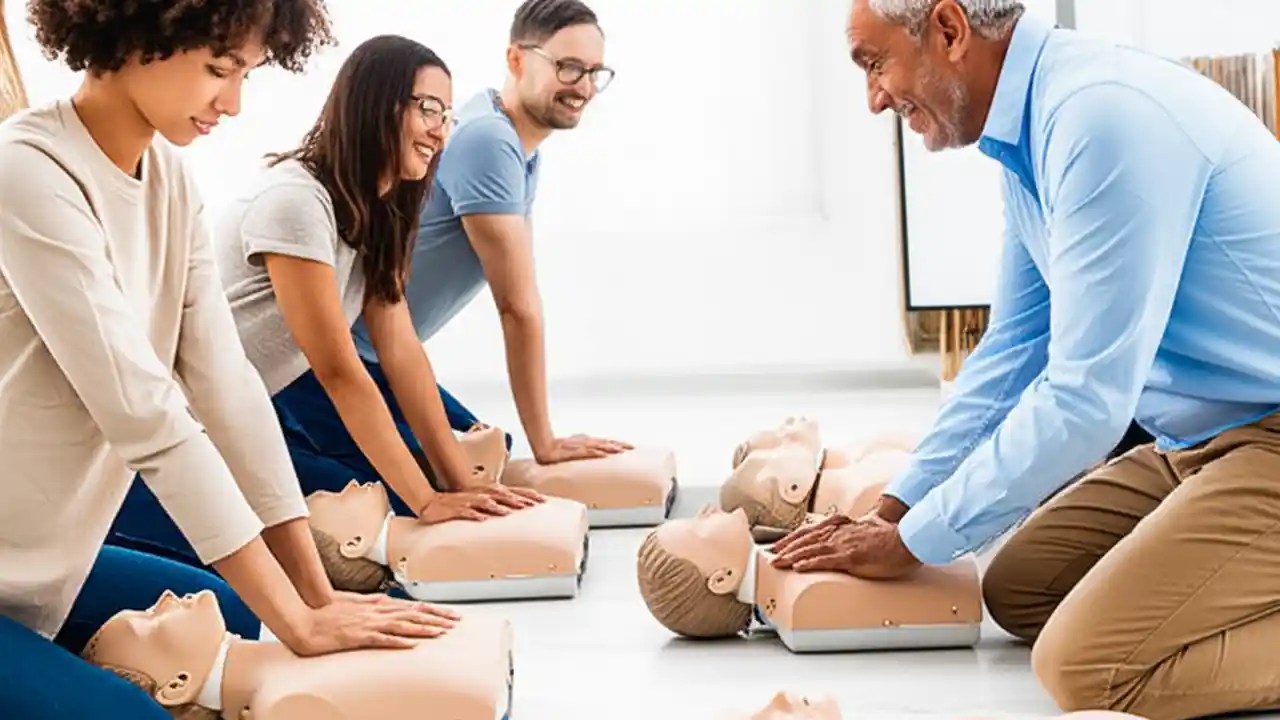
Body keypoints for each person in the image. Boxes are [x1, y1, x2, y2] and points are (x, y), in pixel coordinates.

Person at [772, 1, 1280, 718]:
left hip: (1269, 439)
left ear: (950, 30)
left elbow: (1085, 400)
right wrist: (896, 510)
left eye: (875, 63)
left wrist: (913, 542)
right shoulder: (1034, 131)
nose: (874, 99)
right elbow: (1012, 351)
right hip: (1198, 444)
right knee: (1022, 589)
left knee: (1085, 668)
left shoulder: (1100, 118)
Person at [0, 2, 456, 717]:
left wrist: (315, 597)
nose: (234, 102)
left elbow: (229, 390)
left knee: (237, 610)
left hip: (53, 563)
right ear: (139, 36)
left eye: (246, 73)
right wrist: (298, 621)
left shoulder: (170, 181)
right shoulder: (28, 173)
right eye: (219, 70)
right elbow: (147, 415)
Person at [107, 35, 546, 569]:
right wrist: (426, 502)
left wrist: (456, 483)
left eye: (447, 115)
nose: (440, 130)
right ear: (376, 105)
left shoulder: (375, 213)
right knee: (354, 527)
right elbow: (338, 370)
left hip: (241, 420)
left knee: (373, 504)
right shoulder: (297, 202)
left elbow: (402, 352)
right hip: (167, 442)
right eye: (428, 108)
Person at [272, 0, 633, 488]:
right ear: (517, 59)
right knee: (422, 487)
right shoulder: (488, 141)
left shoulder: (512, 144)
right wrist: (545, 442)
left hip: (382, 355)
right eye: (568, 67)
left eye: (594, 72)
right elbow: (517, 306)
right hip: (327, 368)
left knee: (486, 456)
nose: (584, 86)